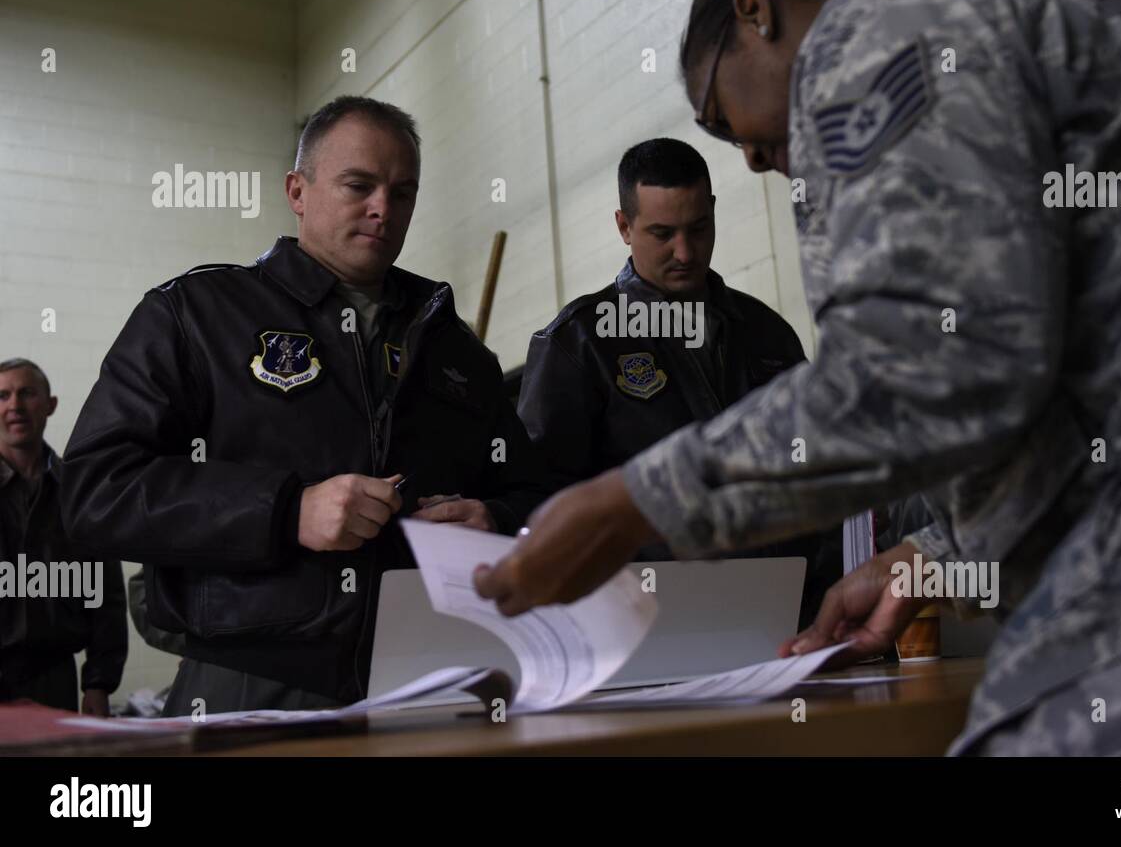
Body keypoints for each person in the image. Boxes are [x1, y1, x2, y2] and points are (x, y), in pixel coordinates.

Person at [471, 0, 1121, 755]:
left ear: (755, 15)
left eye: (725, 117)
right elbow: (1027, 361)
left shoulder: (876, 23)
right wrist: (932, 555)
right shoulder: (582, 337)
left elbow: (934, 367)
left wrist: (634, 502)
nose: (752, 155)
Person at [61, 96, 549, 715]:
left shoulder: (457, 352)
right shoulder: (197, 316)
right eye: (358, 185)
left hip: (433, 677)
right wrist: (286, 510)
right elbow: (93, 491)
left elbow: (538, 494)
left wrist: (498, 518)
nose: (382, 209)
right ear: (298, 190)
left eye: (403, 193)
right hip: (250, 682)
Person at [517, 138, 841, 622]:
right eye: (662, 233)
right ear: (624, 226)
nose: (685, 252)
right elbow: (538, 501)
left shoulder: (767, 335)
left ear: (712, 210)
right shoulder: (579, 344)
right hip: (649, 629)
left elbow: (817, 480)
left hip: (783, 617)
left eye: (699, 228)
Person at [0, 358, 126, 714]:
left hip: (54, 680)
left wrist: (99, 684)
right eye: (3, 395)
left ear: (50, 404)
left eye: (27, 393)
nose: (15, 406)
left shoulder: (79, 493)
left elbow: (106, 595)